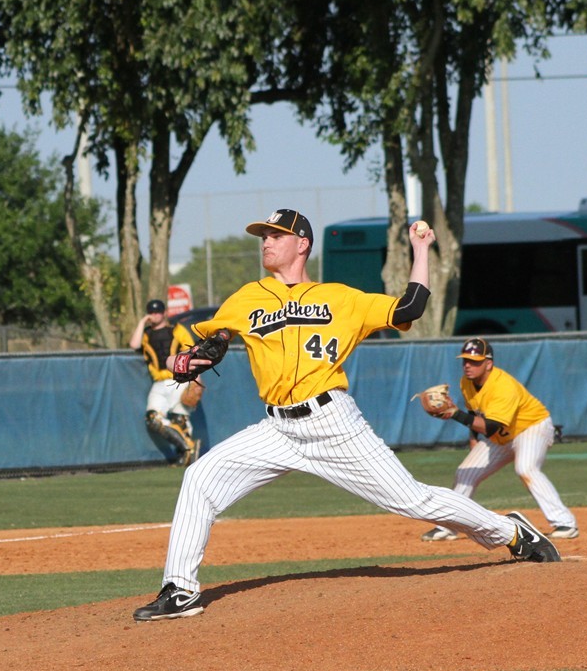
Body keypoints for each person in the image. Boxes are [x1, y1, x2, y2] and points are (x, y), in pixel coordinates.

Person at [133, 209, 559, 622]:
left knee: (413, 500)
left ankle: (512, 532)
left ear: (302, 244)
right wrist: (183, 361)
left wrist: (420, 250)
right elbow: (203, 344)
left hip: (333, 424)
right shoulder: (247, 297)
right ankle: (180, 589)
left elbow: (409, 308)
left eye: (276, 235)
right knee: (200, 478)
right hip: (277, 428)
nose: (266, 241)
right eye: (263, 235)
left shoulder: (341, 298)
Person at [418, 338, 579, 542]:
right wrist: (473, 439)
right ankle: (448, 527)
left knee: (526, 468)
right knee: (465, 473)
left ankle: (565, 523)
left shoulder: (503, 386)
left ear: (488, 364)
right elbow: (475, 414)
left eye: (475, 361)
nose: (468, 365)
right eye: (465, 360)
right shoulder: (466, 382)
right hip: (501, 435)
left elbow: (490, 426)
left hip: (530, 427)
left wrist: (455, 414)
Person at [129, 298, 201, 466]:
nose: (155, 315)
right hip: (159, 382)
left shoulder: (176, 329)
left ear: (165, 313)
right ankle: (189, 446)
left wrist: (196, 378)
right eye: (151, 312)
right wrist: (142, 322)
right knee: (152, 419)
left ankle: (186, 457)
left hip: (180, 379)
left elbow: (191, 353)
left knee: (180, 419)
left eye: (158, 312)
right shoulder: (146, 334)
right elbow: (134, 344)